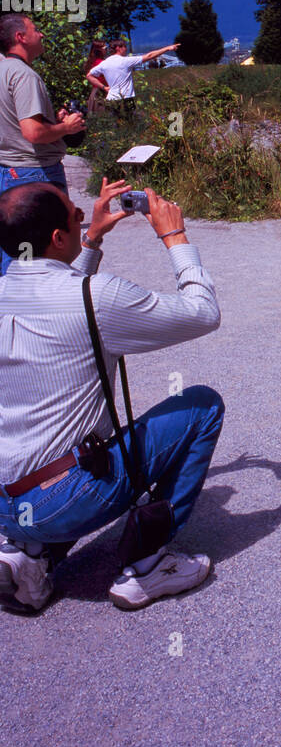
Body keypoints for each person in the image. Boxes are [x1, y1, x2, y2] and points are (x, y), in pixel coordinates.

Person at [0, 178, 223, 613]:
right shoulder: (97, 297)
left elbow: (61, 299)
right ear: (58, 237)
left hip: (7, 503)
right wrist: (174, 236)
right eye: (76, 215)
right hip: (61, 499)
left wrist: (93, 238)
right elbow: (203, 313)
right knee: (202, 405)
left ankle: (26, 555)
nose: (85, 215)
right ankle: (147, 566)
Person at [0, 14, 85, 275]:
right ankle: (46, 311)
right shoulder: (24, 75)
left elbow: (14, 121)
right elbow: (34, 132)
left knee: (15, 253)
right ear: (20, 37)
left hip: (8, 170)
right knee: (48, 253)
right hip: (36, 171)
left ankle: (11, 310)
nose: (41, 34)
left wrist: (53, 121)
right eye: (35, 30)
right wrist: (67, 127)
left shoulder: (2, 70)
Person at [87, 38, 180, 111]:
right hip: (125, 99)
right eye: (124, 46)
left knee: (116, 127)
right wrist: (168, 48)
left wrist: (104, 87)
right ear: (118, 48)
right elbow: (149, 56)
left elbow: (89, 76)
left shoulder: (104, 63)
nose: (126, 49)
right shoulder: (126, 61)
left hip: (111, 100)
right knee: (129, 125)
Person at [84, 39, 109, 113]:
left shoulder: (91, 61)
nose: (106, 50)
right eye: (105, 48)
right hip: (101, 92)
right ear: (99, 50)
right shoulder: (101, 63)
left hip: (95, 91)